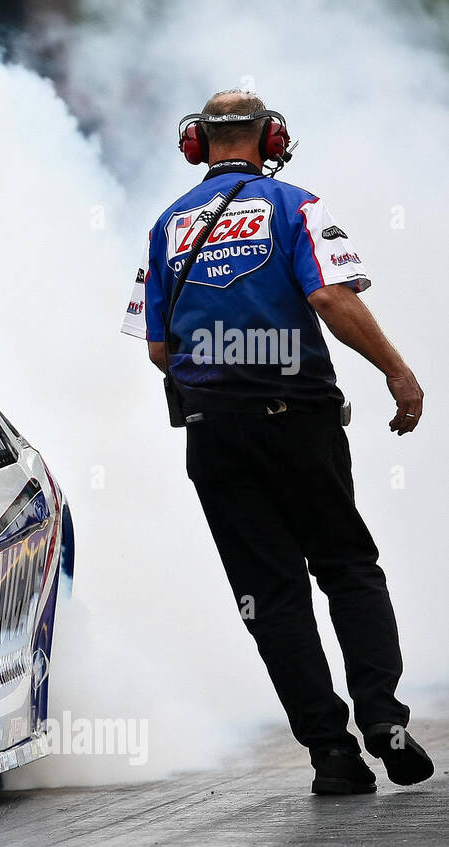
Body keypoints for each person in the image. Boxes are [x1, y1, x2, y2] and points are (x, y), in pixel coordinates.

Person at [121, 90, 433, 795]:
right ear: (274, 138)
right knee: (348, 567)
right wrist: (398, 371)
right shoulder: (298, 205)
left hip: (212, 429)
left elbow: (158, 349)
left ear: (196, 145)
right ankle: (383, 719)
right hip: (299, 415)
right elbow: (329, 297)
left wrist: (219, 377)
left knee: (271, 594)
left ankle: (331, 754)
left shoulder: (166, 226)